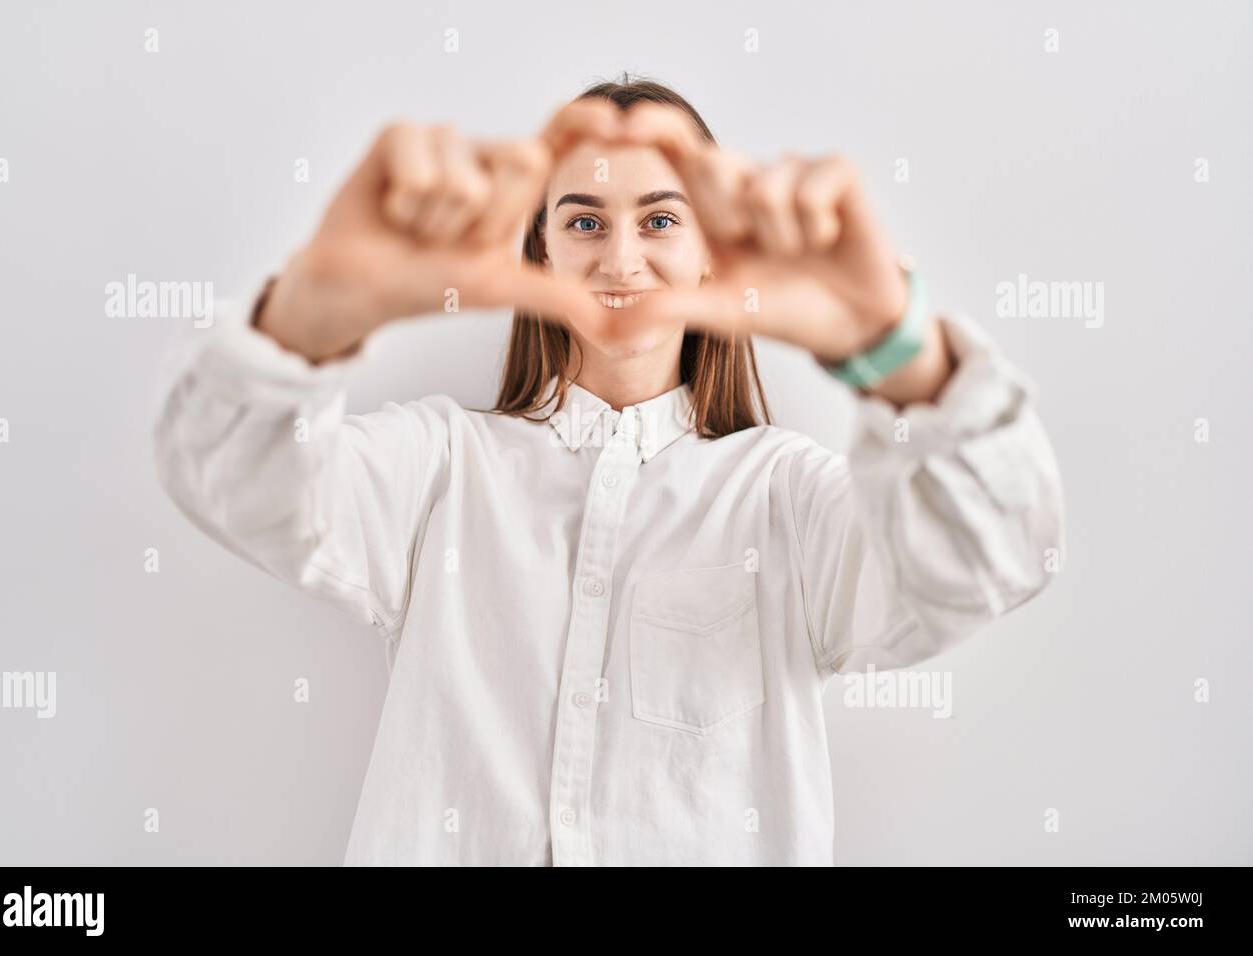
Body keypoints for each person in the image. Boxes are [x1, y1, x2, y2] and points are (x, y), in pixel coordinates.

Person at [152, 77, 1065, 866]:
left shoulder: (787, 496)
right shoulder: (441, 468)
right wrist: (311, 314)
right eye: (584, 219)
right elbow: (235, 482)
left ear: (713, 247)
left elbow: (991, 566)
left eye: (660, 220)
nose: (620, 259)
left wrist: (899, 353)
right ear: (541, 247)